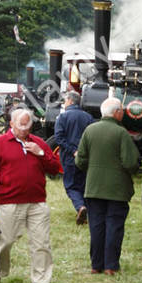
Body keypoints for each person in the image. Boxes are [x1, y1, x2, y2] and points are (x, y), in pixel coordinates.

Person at [0, 106, 63, 283]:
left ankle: (41, 281)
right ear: (11, 124)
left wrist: (40, 153)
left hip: (37, 202)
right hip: (9, 202)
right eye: (21, 126)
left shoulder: (39, 143)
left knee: (41, 242)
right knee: (5, 240)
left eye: (28, 126)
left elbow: (54, 168)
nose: (25, 130)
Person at [75, 97, 141, 275]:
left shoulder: (89, 130)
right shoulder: (121, 133)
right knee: (114, 226)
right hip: (117, 190)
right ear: (117, 113)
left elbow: (80, 160)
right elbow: (130, 162)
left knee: (96, 226)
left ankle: (96, 265)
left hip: (93, 188)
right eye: (121, 110)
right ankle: (111, 266)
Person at [52, 89, 93, 224]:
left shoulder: (62, 117)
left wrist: (73, 151)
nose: (64, 103)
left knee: (71, 185)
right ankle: (86, 209)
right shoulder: (88, 117)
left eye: (65, 100)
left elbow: (59, 138)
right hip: (86, 157)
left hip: (69, 157)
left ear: (69, 101)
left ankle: (80, 207)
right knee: (84, 184)